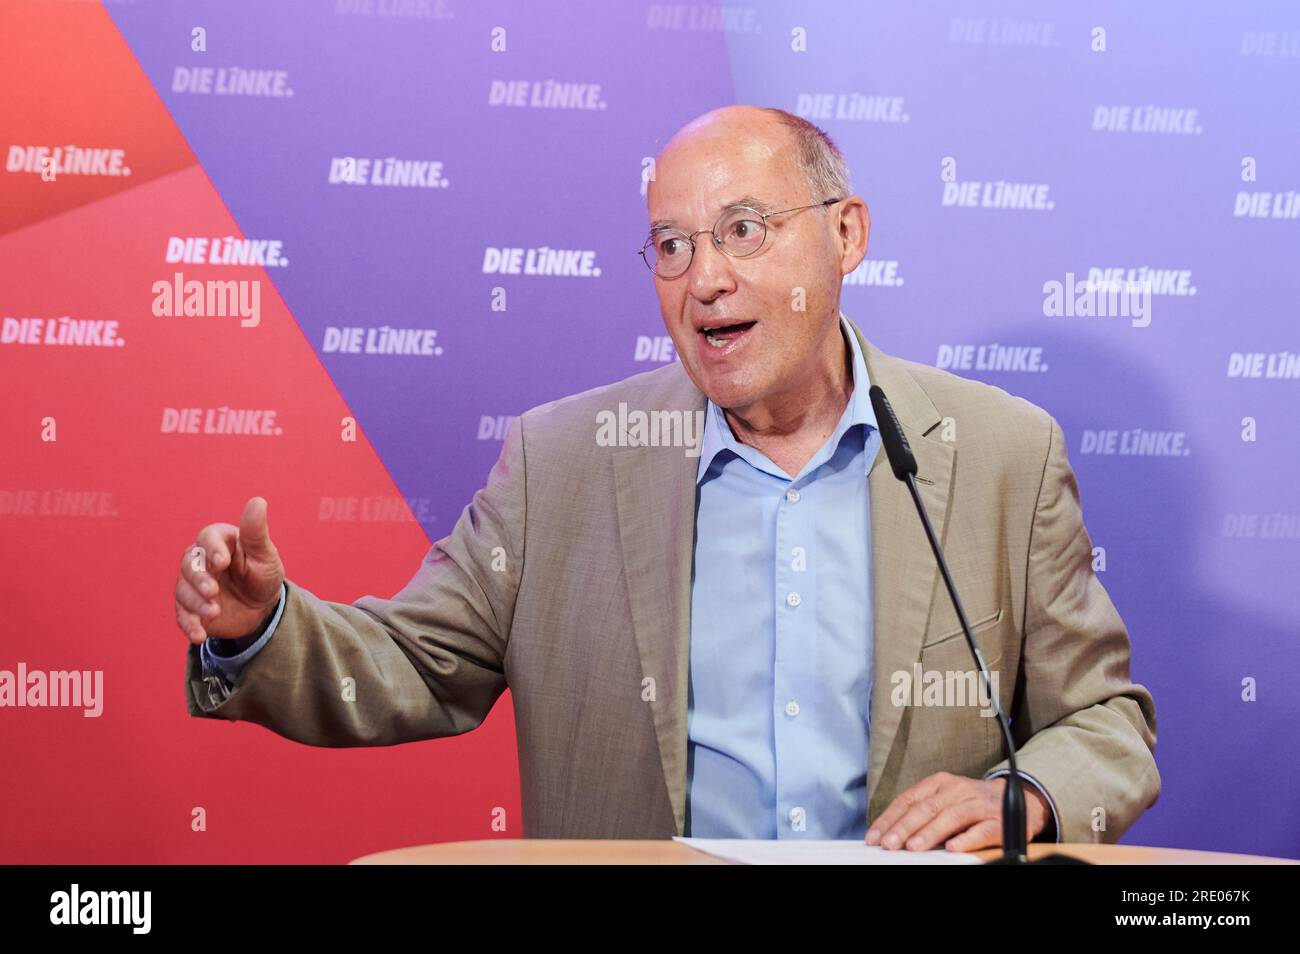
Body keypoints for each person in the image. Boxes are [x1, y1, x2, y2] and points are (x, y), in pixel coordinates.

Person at [173, 105, 1158, 849]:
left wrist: (1022, 798)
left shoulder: (1000, 454)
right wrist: (260, 627)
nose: (705, 281)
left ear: (846, 235)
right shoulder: (562, 463)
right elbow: (409, 667)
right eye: (673, 247)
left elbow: (1106, 722)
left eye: (743, 230)